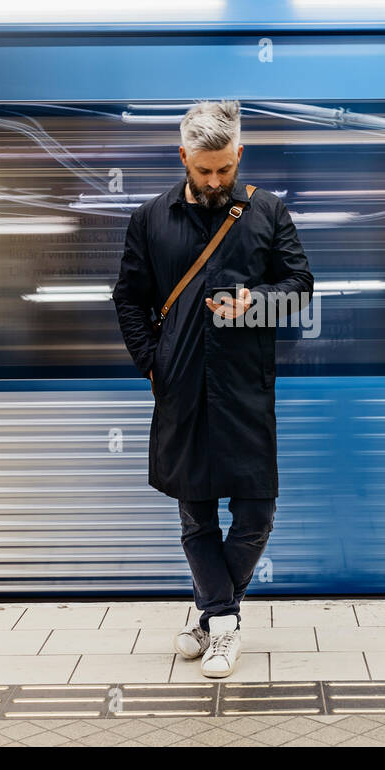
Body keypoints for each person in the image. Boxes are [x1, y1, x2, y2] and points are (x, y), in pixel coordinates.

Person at [111, 100, 313, 678]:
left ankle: (207, 614)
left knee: (257, 513)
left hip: (246, 390)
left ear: (239, 156)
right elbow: (128, 298)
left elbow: (300, 285)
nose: (214, 181)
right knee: (196, 518)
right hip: (181, 390)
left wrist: (261, 300)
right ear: (183, 158)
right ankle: (225, 627)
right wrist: (153, 363)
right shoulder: (151, 219)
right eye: (203, 171)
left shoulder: (267, 212)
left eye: (224, 169)